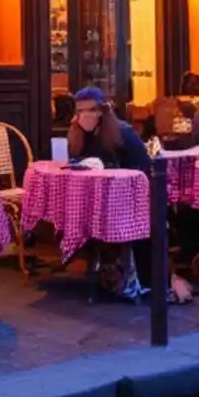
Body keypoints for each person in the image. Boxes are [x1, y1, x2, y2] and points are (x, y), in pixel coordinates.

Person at [66, 86, 152, 298]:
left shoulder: (123, 134)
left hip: (129, 201)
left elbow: (143, 170)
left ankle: (120, 272)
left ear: (102, 111)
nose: (84, 116)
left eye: (90, 110)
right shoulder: (80, 137)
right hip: (96, 200)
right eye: (80, 111)